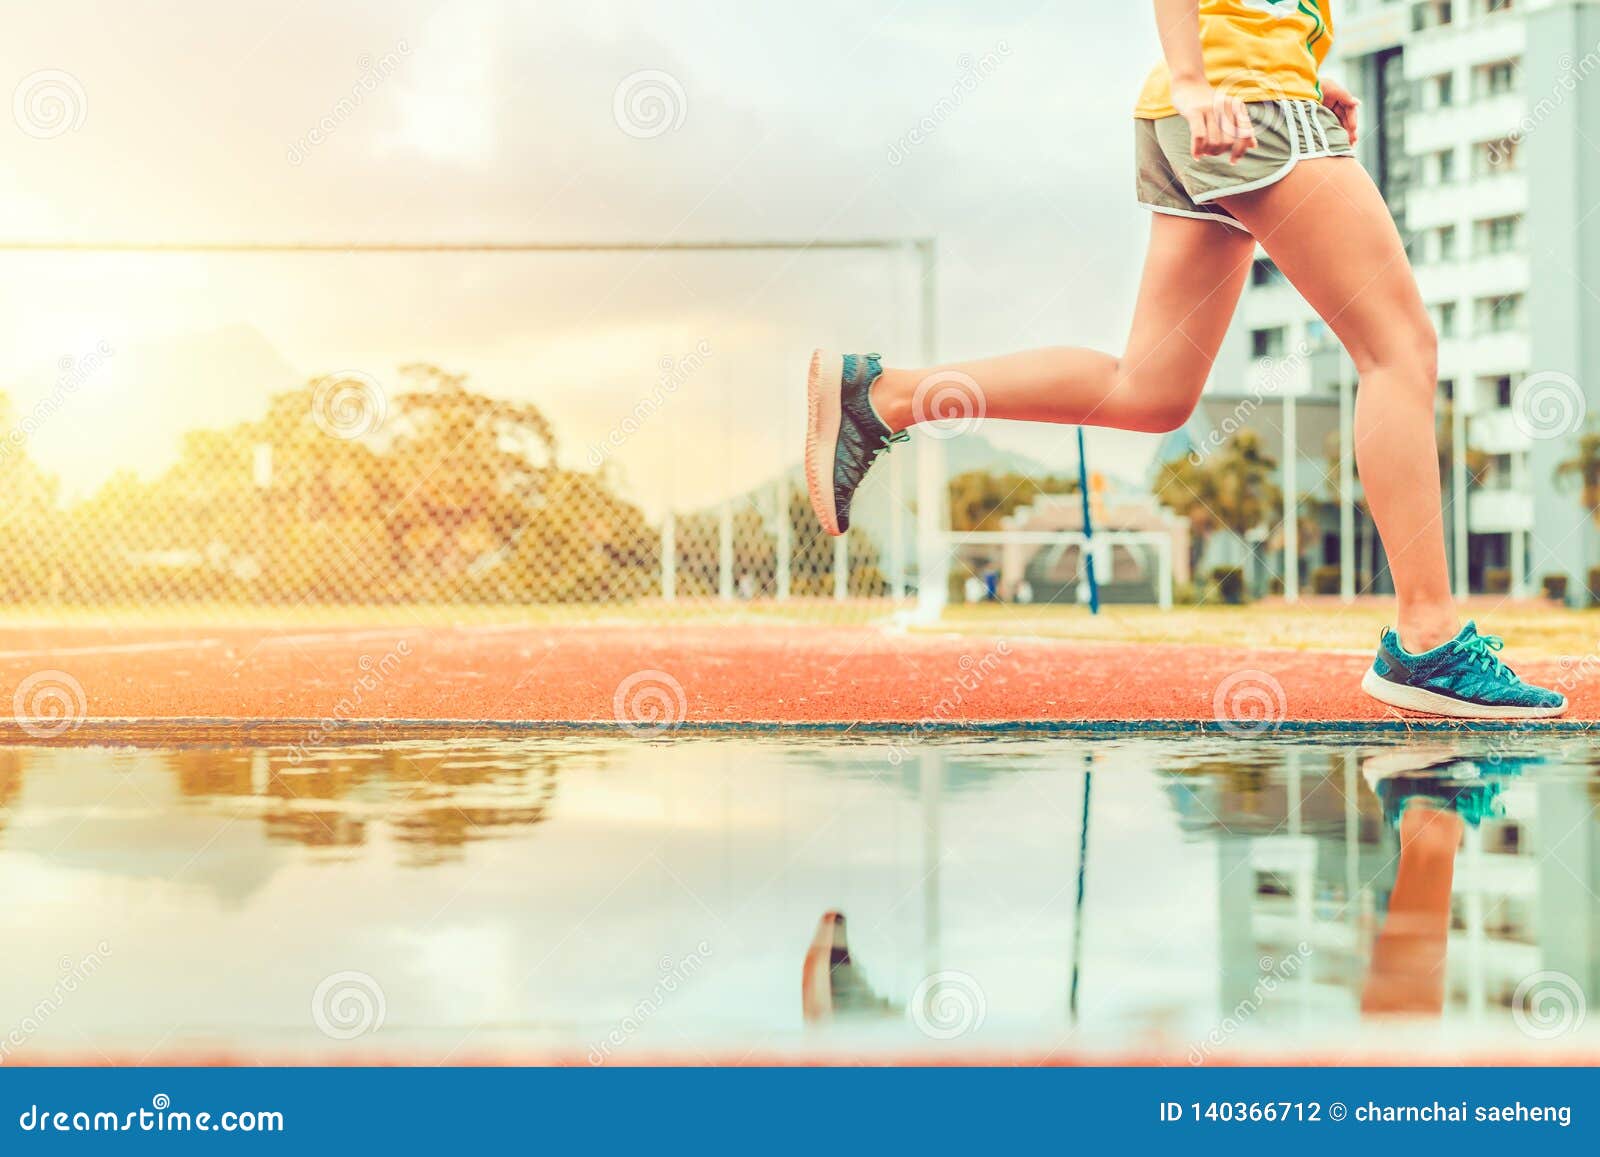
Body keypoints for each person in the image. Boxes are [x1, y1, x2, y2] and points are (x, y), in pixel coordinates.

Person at [803, 0, 1565, 720]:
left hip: (1217, 105)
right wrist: (1208, 78)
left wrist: (1295, 68)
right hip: (1240, 105)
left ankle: (884, 396)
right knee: (1399, 351)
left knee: (1150, 390)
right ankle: (1427, 639)